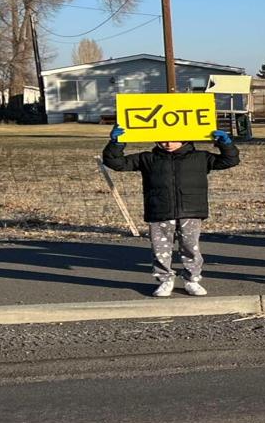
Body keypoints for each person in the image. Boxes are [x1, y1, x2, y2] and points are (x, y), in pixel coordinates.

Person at [102, 125, 241, 297]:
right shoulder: (148, 158)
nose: (167, 143)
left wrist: (225, 144)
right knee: (160, 248)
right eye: (162, 139)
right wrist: (116, 143)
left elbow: (230, 161)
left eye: (172, 139)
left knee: (191, 247)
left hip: (191, 210)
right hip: (159, 210)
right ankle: (165, 279)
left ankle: (192, 279)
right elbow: (116, 163)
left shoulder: (200, 157)